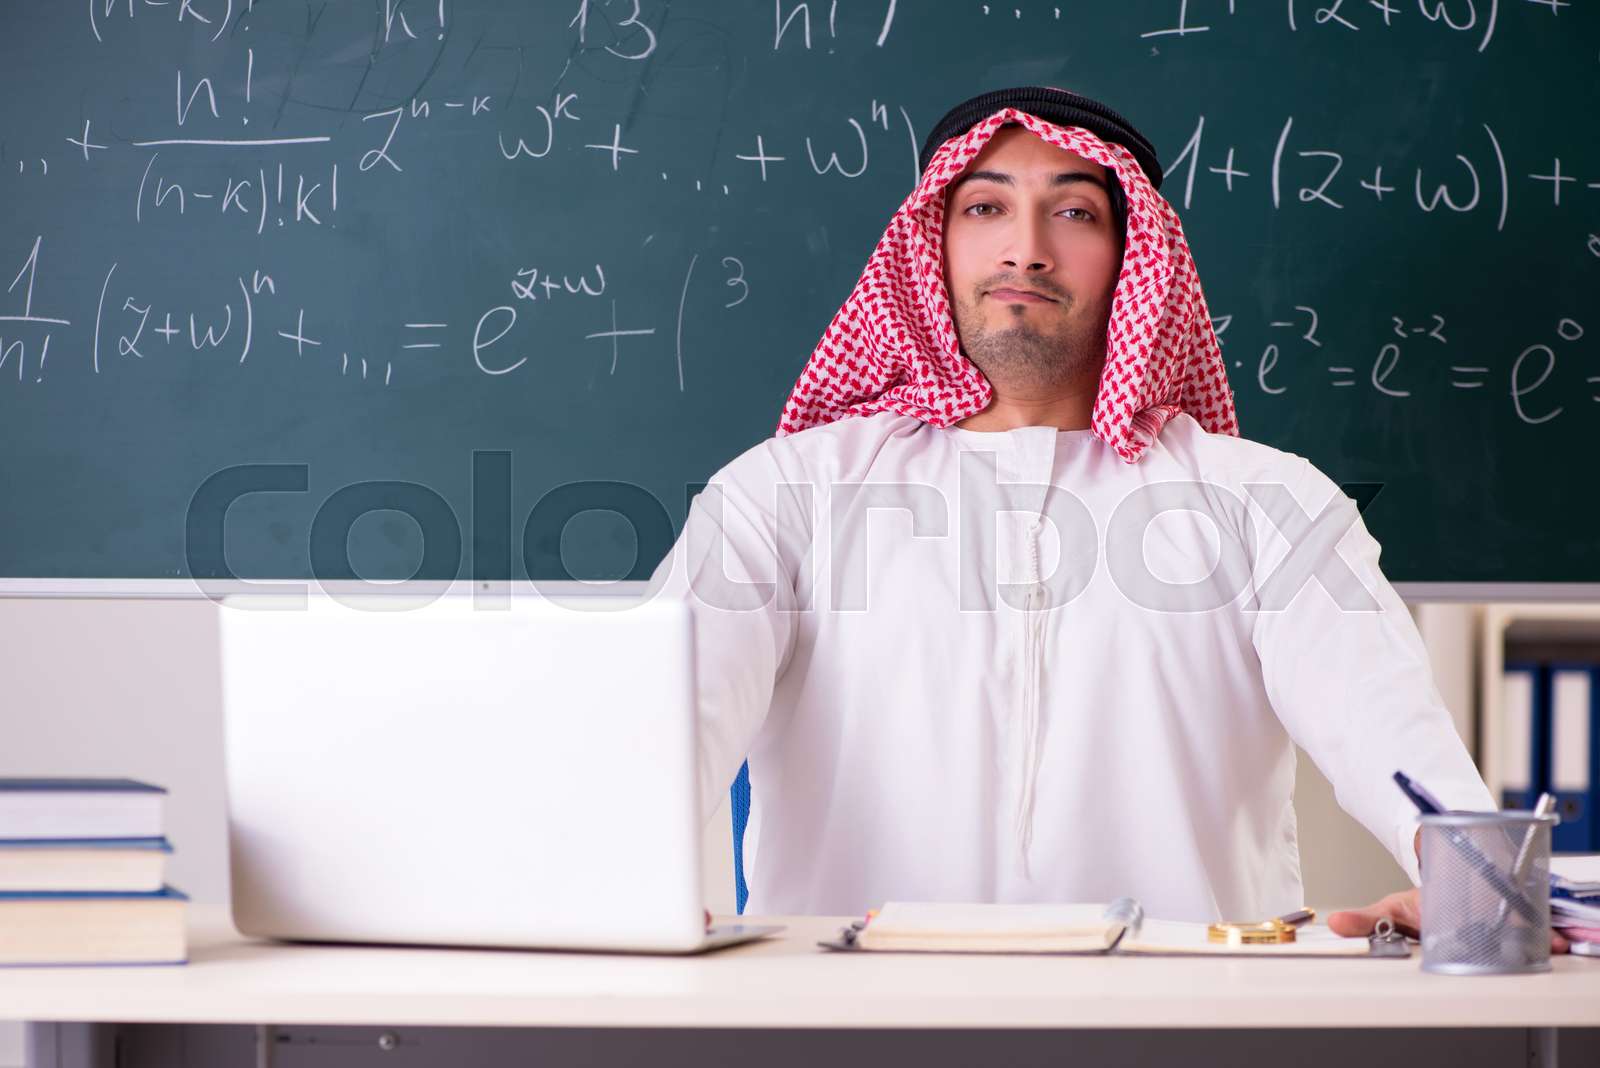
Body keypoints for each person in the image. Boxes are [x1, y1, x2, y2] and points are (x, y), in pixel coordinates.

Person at [649, 87, 1557, 947]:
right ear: (932, 247)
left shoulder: (1263, 499)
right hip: (840, 1025)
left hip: (1187, 1028)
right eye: (985, 208)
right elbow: (662, 727)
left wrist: (1481, 897)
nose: (1026, 249)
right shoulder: (786, 492)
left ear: (1135, 257)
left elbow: (1389, 728)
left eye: (1075, 212)